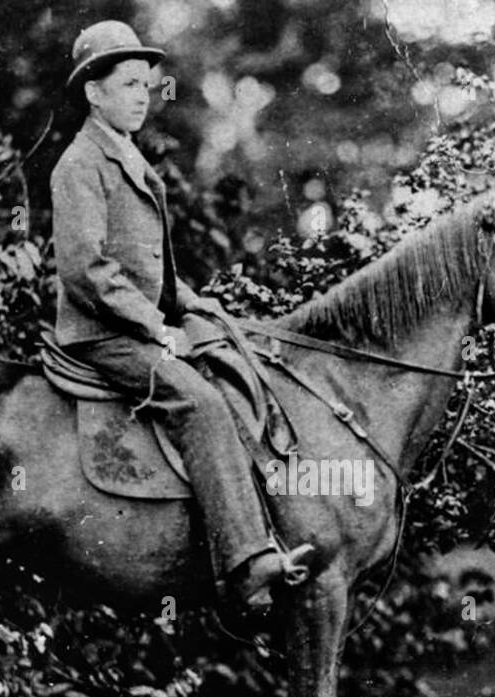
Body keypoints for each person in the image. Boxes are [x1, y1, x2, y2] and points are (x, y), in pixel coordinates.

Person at [51, 20, 311, 610]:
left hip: (137, 321)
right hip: (102, 335)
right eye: (127, 84)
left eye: (146, 84)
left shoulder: (128, 155)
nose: (142, 95)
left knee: (235, 361)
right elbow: (87, 271)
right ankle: (246, 562)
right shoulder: (79, 165)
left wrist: (195, 305)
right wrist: (156, 328)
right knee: (199, 402)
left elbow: (150, 268)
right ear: (94, 92)